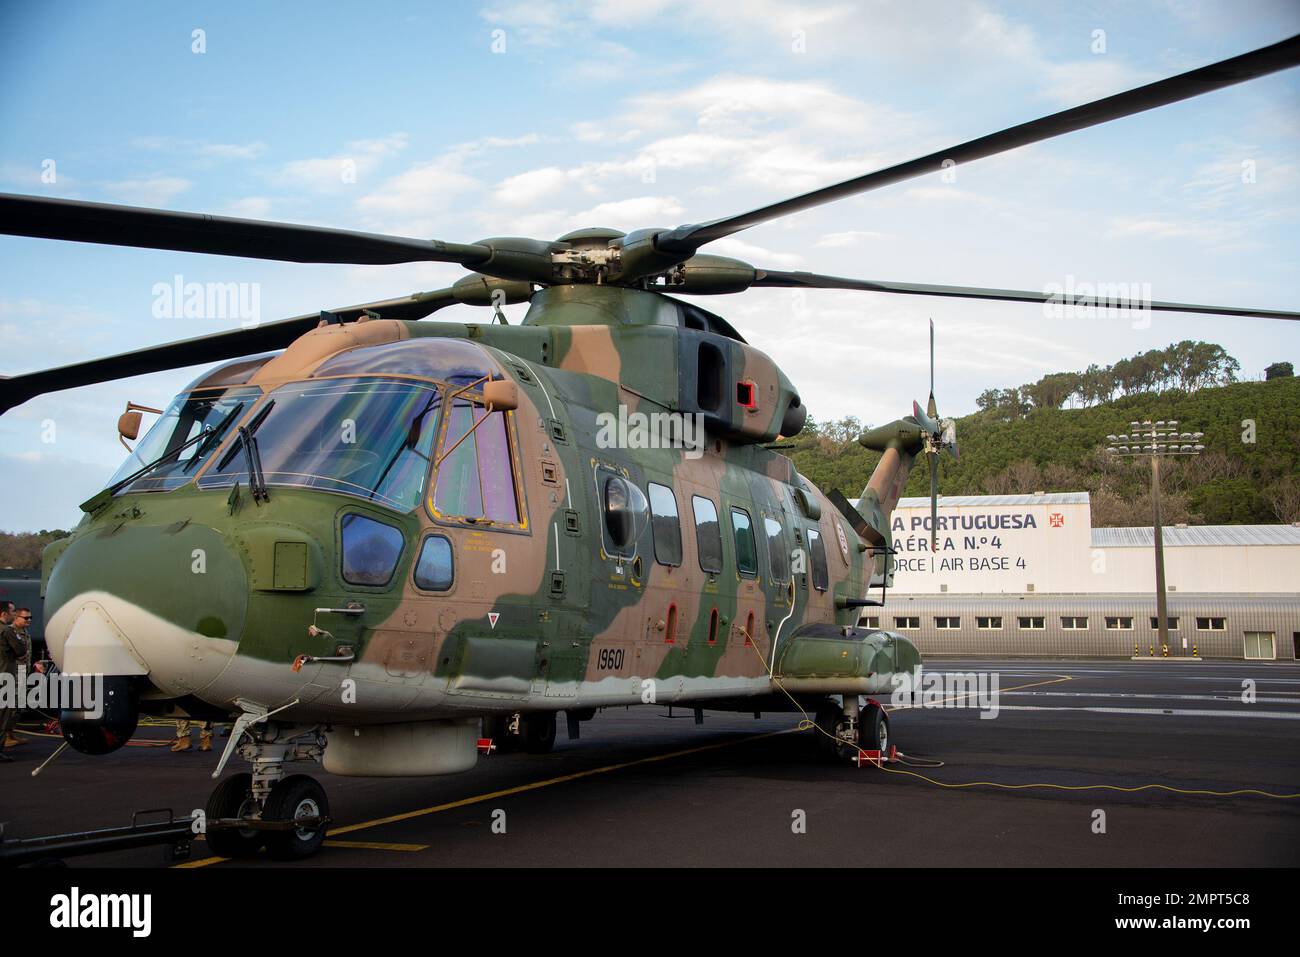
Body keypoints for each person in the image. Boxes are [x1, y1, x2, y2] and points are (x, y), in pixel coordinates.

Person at [0, 601, 29, 761]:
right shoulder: (7, 631)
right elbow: (21, 650)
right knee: (3, 716)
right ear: (4, 614)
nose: (14, 614)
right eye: (12, 612)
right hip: (5, 677)